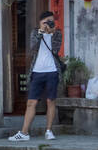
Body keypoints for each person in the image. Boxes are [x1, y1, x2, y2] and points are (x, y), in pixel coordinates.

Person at [10, 11, 62, 141]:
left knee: (51, 101)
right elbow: (32, 48)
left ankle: (49, 131)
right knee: (31, 102)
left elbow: (56, 49)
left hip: (52, 71)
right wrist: (41, 32)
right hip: (37, 71)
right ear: (40, 22)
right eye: (46, 21)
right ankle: (24, 133)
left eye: (51, 21)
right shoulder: (35, 33)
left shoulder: (57, 33)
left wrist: (52, 33)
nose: (48, 23)